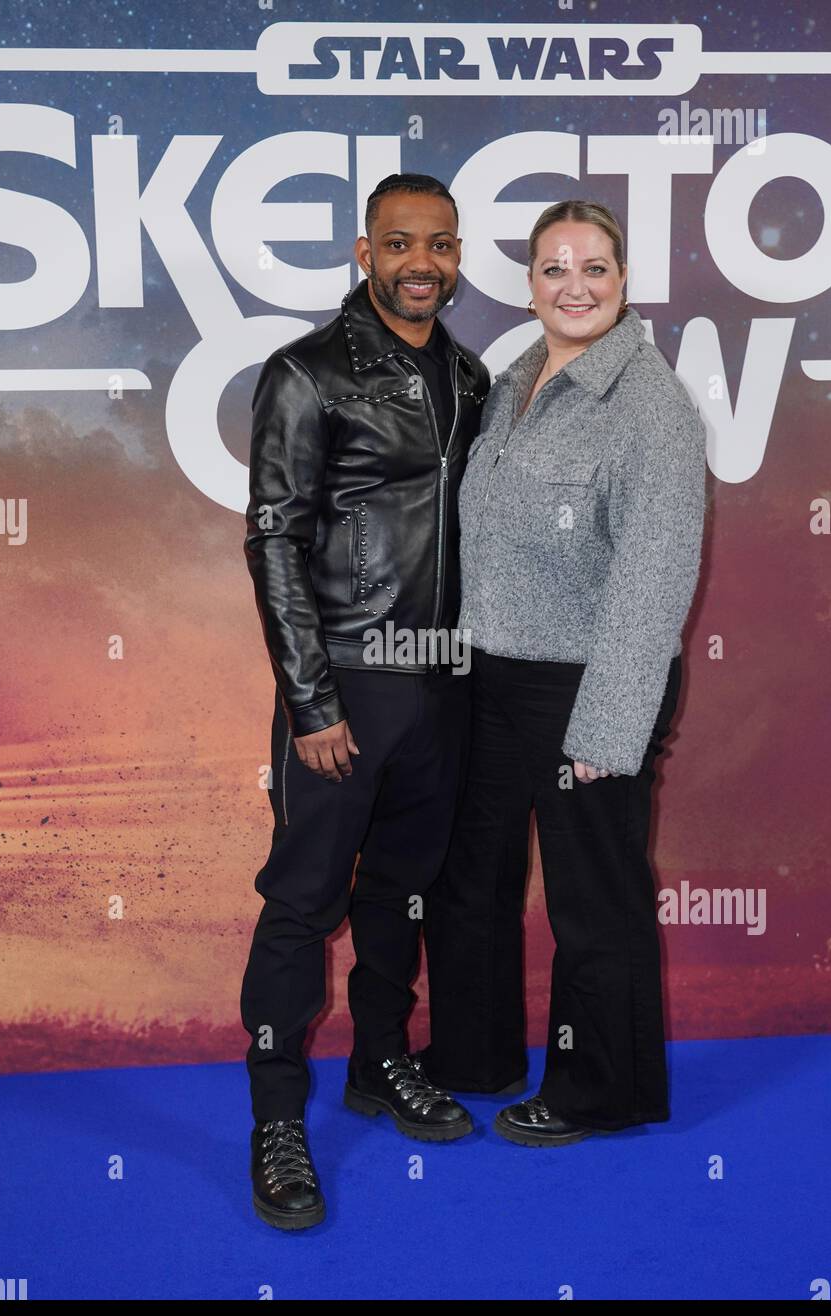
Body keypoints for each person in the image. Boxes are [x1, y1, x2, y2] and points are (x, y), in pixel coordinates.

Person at [418, 199, 707, 1146]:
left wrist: (607, 728)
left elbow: (653, 577)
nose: (573, 286)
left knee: (592, 899)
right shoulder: (515, 377)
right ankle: (475, 1055)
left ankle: (602, 1089)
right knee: (474, 881)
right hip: (491, 678)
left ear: (623, 282)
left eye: (593, 268)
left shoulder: (653, 408)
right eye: (554, 268)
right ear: (530, 283)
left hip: (588, 682)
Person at [240, 173, 491, 1228]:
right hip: (342, 687)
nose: (420, 263)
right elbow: (272, 539)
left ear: (457, 252)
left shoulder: (473, 378)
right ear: (363, 252)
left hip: (441, 685)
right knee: (304, 900)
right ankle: (274, 1118)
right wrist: (310, 701)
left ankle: (379, 1059)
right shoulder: (306, 373)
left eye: (437, 244)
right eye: (399, 244)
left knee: (403, 892)